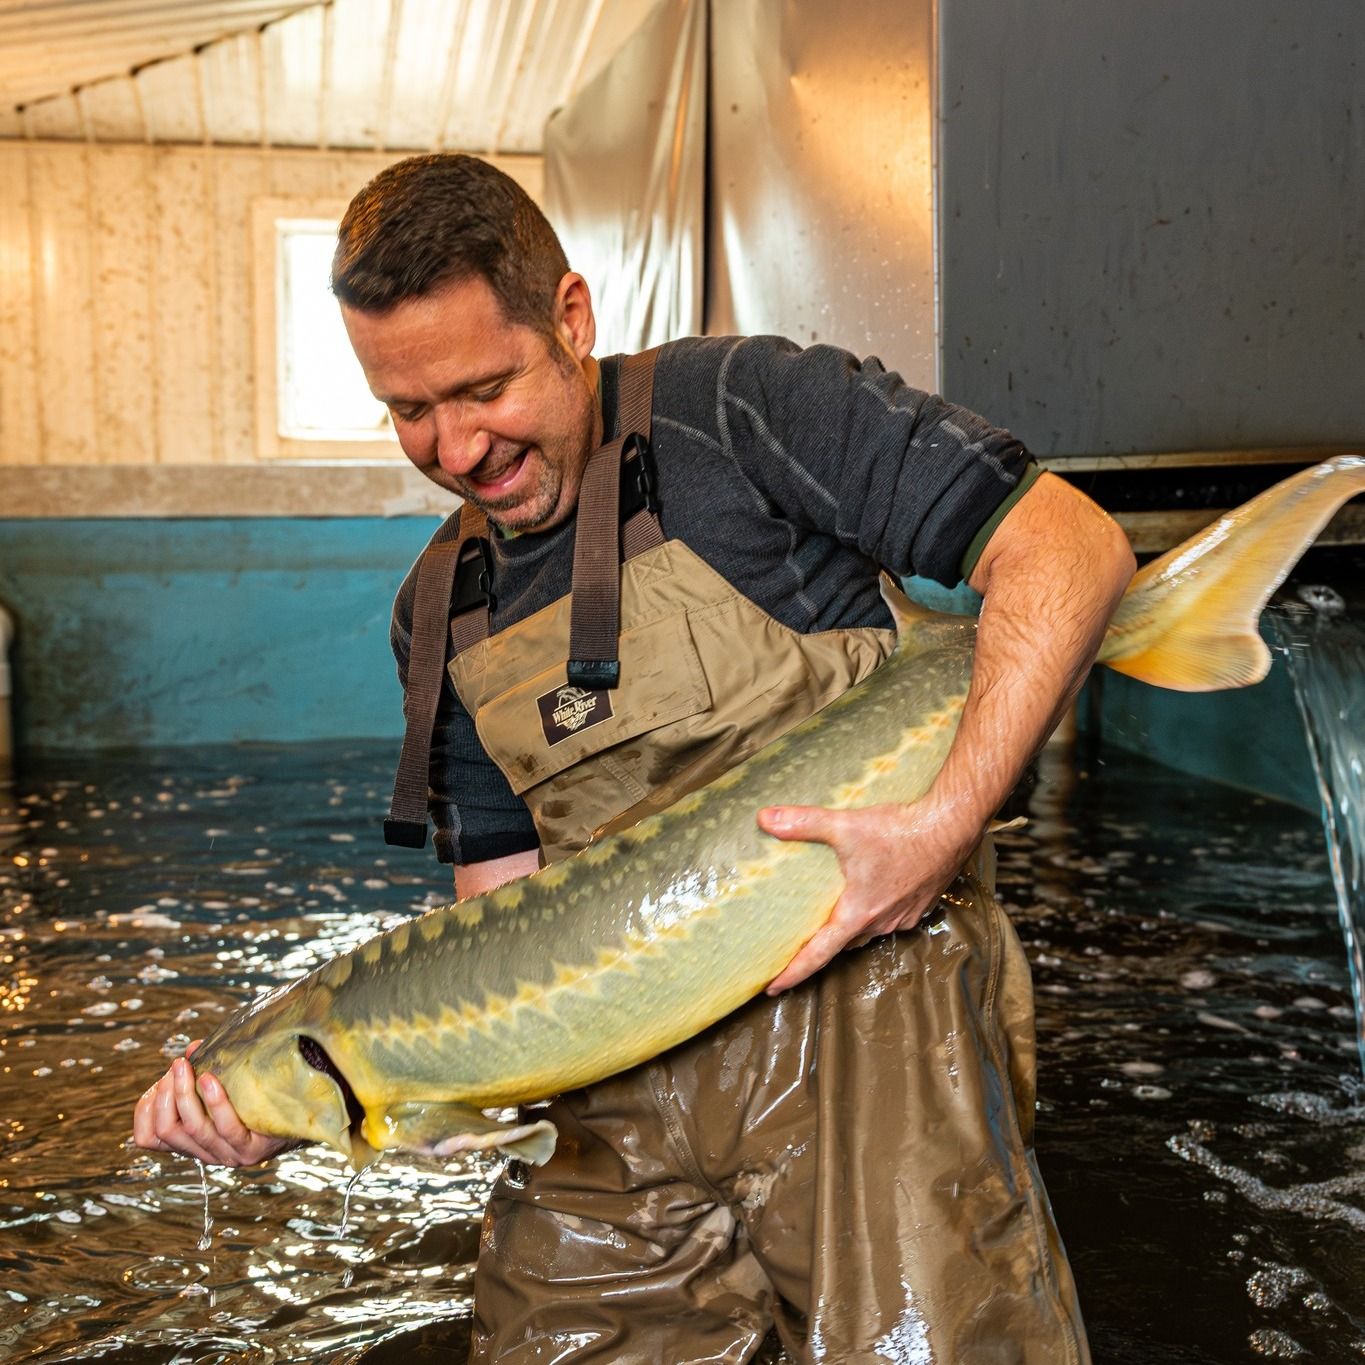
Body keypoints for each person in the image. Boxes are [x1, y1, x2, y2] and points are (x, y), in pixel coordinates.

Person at [135, 153, 1134, 1363]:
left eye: (482, 388)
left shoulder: (740, 407)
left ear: (570, 317)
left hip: (865, 1002)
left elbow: (1069, 550)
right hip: (620, 1077)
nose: (453, 448)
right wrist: (302, 1112)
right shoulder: (436, 609)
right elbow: (495, 926)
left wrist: (942, 826)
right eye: (407, 411)